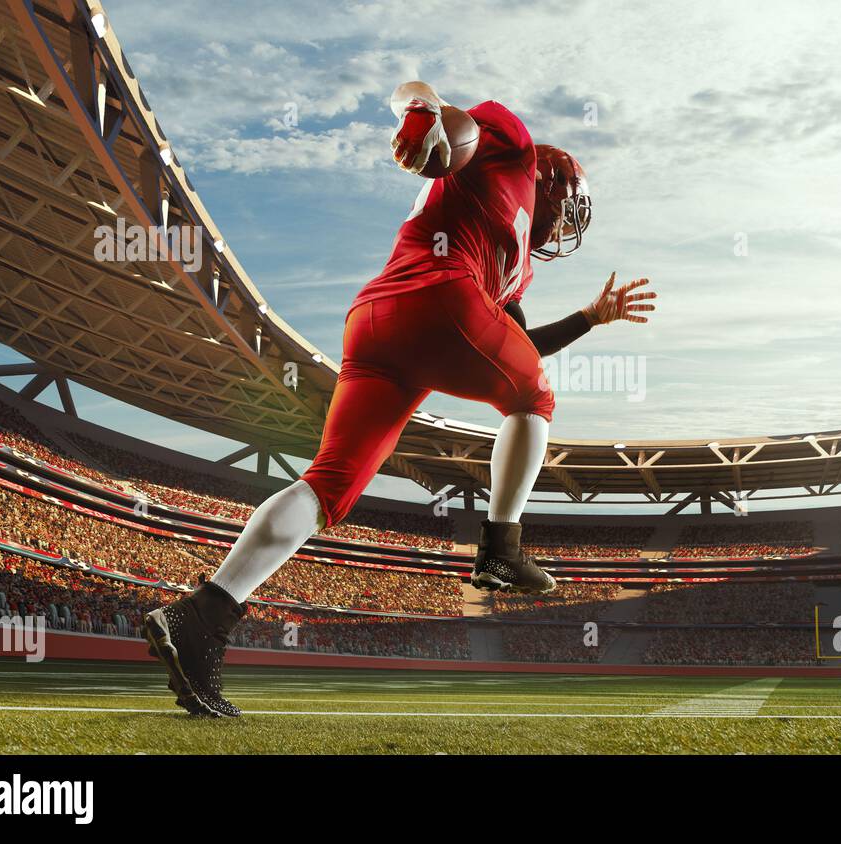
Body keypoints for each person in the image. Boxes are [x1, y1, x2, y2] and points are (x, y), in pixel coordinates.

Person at [143, 81, 656, 717]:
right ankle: (501, 547)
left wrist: (588, 317)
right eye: (570, 207)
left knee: (327, 488)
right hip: (439, 301)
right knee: (535, 397)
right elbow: (449, 123)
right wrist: (423, 118)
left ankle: (202, 616)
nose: (568, 223)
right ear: (555, 184)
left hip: (379, 324)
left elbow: (514, 343)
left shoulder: (515, 263)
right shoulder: (518, 152)